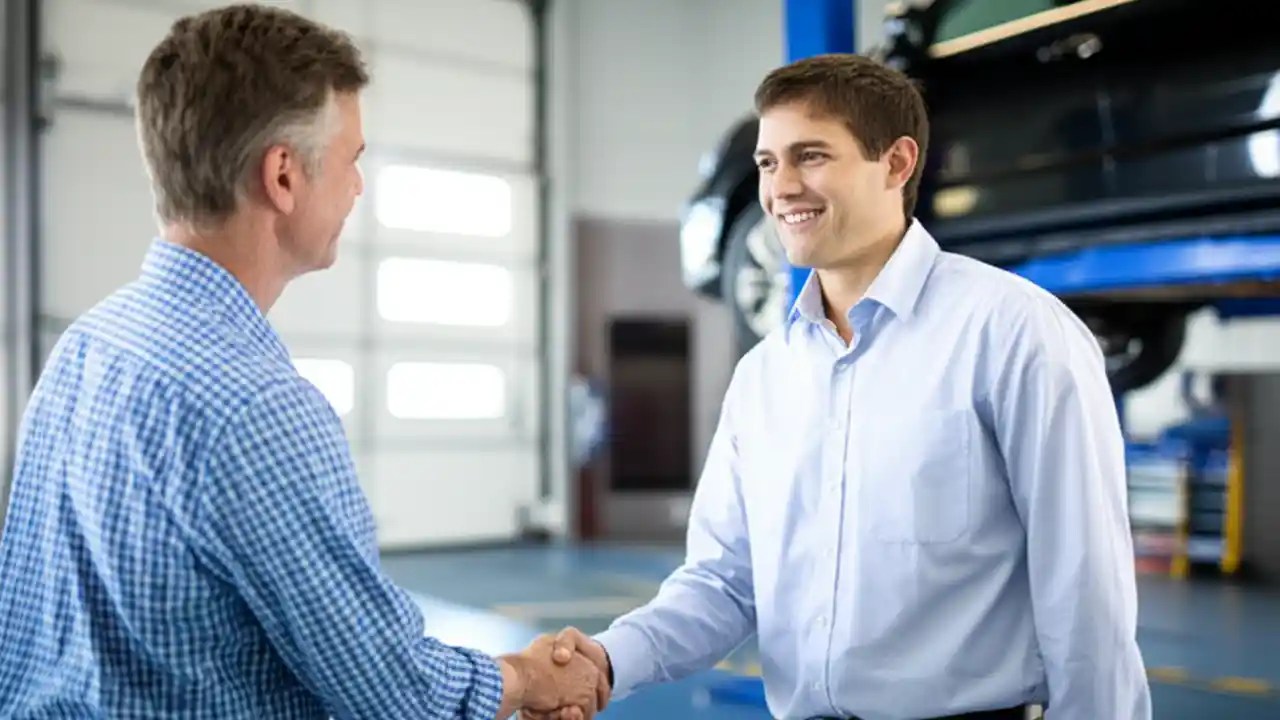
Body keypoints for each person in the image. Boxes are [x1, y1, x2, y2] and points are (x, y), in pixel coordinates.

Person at [0, 5, 605, 719]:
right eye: (352, 159)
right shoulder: (258, 408)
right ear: (283, 176)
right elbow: (393, 694)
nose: (358, 186)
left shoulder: (86, 347)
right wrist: (526, 679)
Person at [538, 54, 1152, 719]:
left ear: (897, 163)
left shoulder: (1012, 333)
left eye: (811, 156)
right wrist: (607, 660)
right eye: (768, 163)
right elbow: (725, 582)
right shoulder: (765, 376)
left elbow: (1084, 585)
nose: (781, 188)